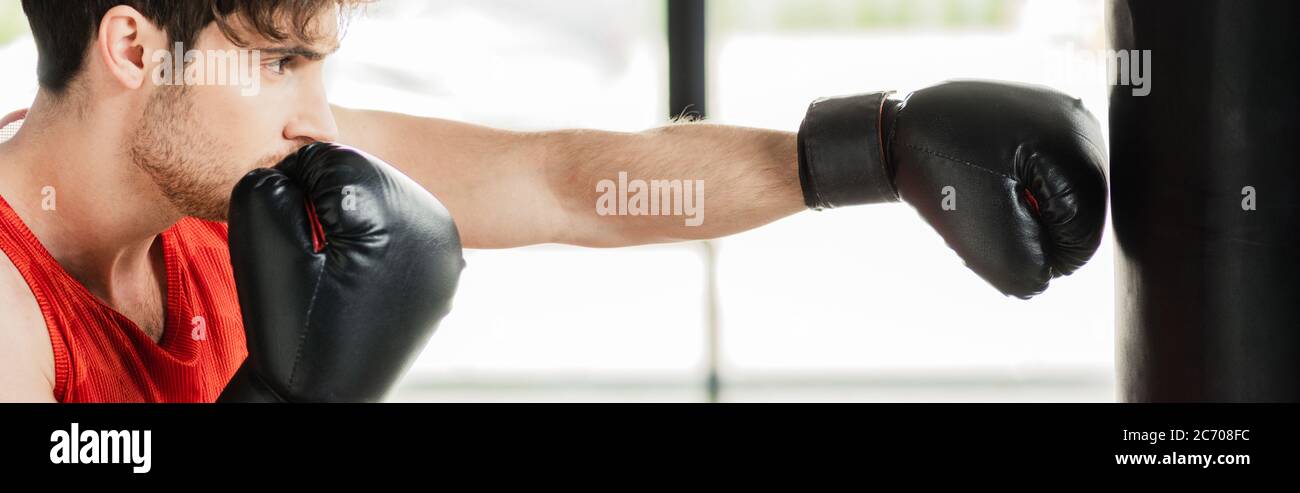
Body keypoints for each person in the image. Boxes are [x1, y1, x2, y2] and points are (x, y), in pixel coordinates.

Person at [0, 1, 1106, 402]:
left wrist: (873, 150)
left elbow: (565, 181)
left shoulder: (232, 165)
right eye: (284, 61)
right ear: (136, 46)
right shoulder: (10, 315)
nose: (323, 121)